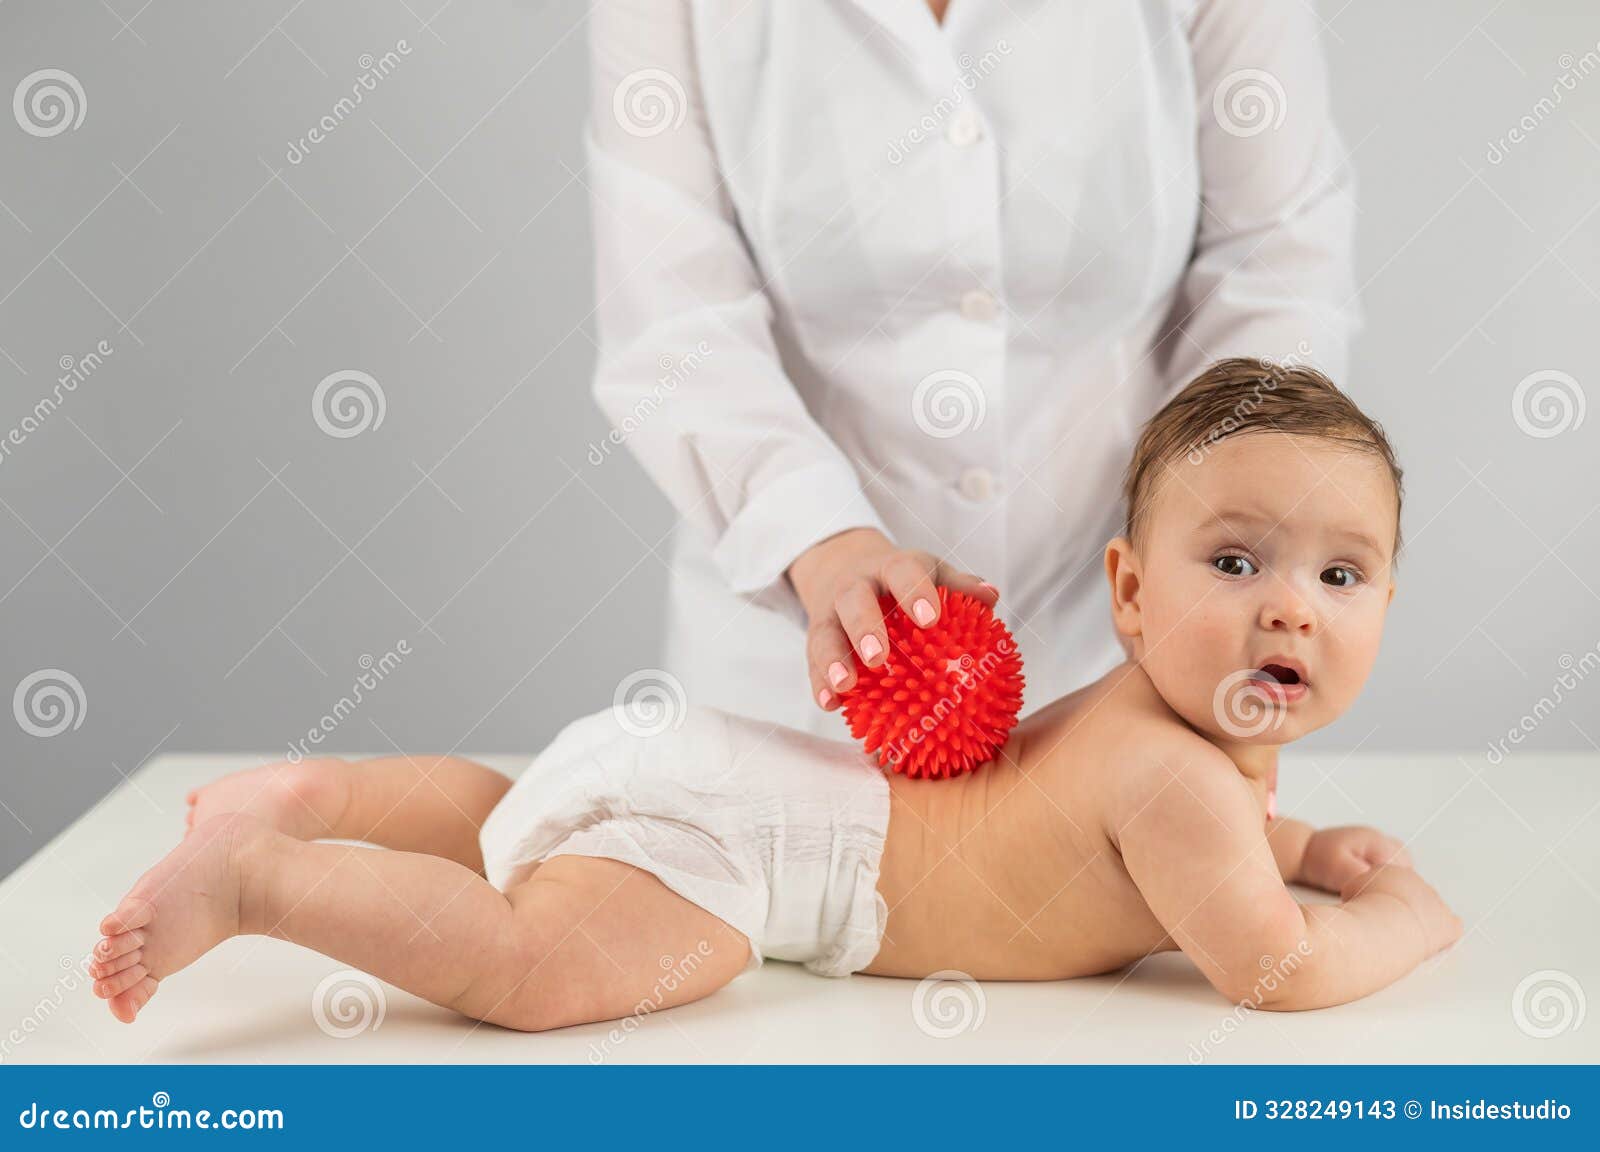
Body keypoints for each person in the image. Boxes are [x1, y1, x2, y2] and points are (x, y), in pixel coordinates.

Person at [88, 358, 1460, 1028]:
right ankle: (270, 878)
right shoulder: (1172, 774)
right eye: (1237, 559)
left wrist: (1297, 842)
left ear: (1391, 605)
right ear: (1133, 591)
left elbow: (1140, 850)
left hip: (719, 761)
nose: (1290, 602)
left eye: (1343, 576)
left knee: (522, 816)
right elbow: (1272, 962)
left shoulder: (1150, 736)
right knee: (536, 959)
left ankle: (320, 788)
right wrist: (1396, 910)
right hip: (763, 856)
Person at [585, 0, 1361, 739]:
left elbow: (1278, 267)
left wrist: (1209, 563)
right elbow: (675, 320)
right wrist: (827, 549)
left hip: (1116, 663)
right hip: (789, 682)